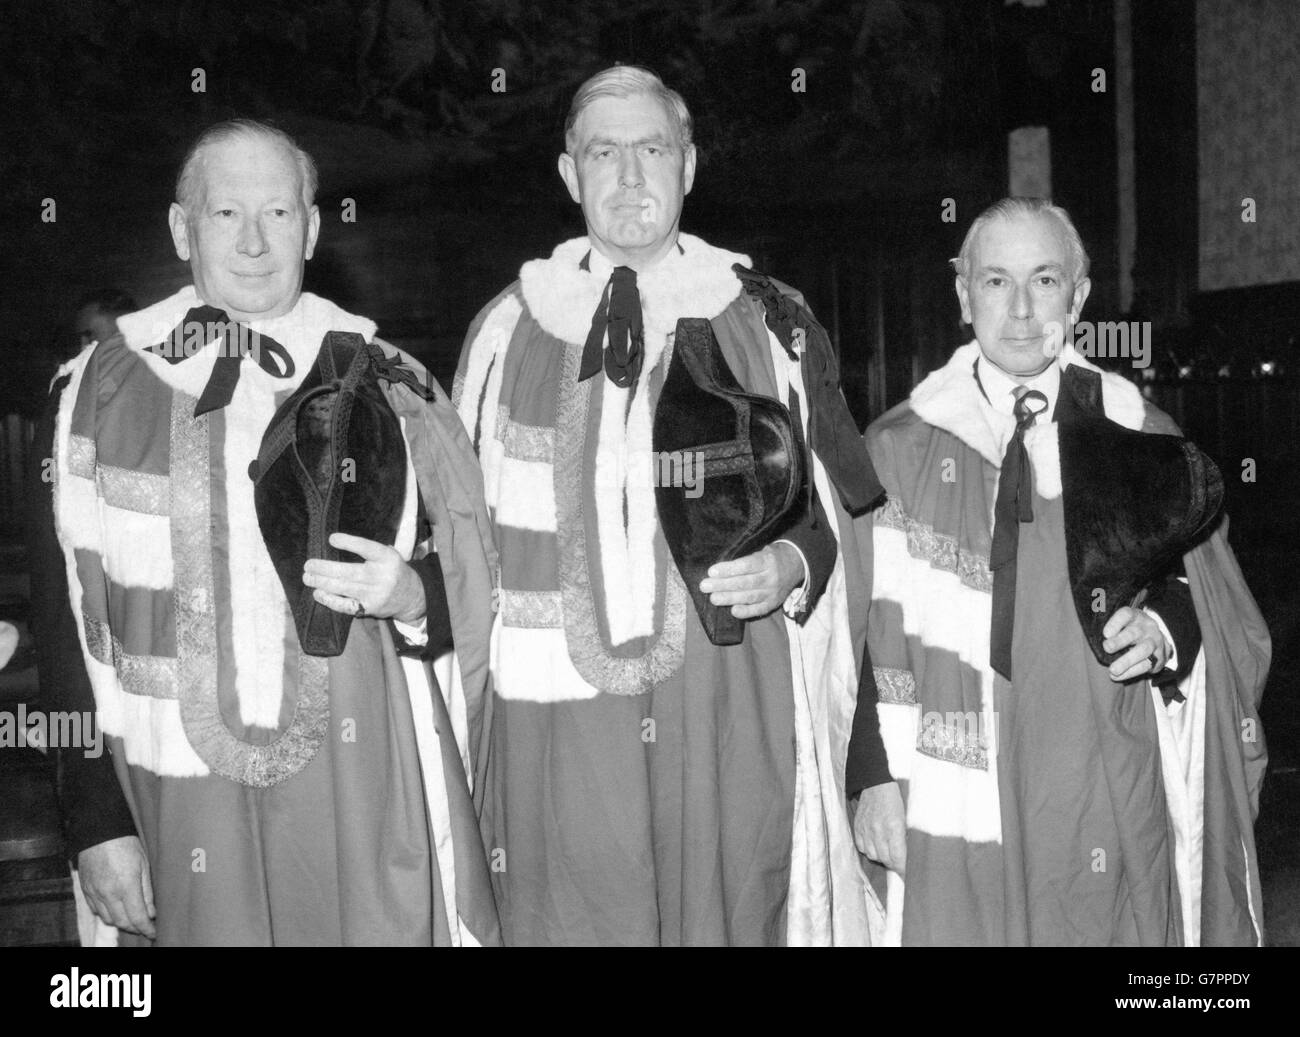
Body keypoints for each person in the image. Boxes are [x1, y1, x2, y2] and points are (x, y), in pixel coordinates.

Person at [38, 119, 499, 946]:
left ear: (313, 228)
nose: (254, 241)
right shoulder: (101, 388)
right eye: (225, 214)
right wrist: (95, 821)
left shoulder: (392, 382)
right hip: (173, 791)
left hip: (363, 785)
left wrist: (412, 594)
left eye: (280, 214)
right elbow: (62, 615)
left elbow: (472, 581)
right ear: (183, 228)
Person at [454, 65, 884, 945]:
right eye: (603, 153)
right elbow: (458, 541)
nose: (629, 175)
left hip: (725, 696)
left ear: (689, 164)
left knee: (727, 913)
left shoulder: (771, 320)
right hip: (551, 717)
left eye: (652, 149)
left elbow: (838, 513)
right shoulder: (505, 333)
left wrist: (795, 562)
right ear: (569, 174)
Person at [846, 197, 1270, 946]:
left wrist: (1164, 632)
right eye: (995, 281)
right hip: (947, 776)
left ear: (1077, 297)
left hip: (1102, 765)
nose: (1017, 309)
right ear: (961, 293)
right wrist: (872, 775)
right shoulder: (895, 451)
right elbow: (852, 635)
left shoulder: (1140, 436)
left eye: (1043, 281)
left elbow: (1205, 595)